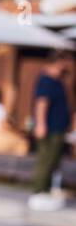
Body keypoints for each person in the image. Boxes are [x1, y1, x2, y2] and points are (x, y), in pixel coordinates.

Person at [29, 51, 72, 211]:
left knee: (53, 161)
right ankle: (38, 191)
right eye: (68, 61)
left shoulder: (59, 80)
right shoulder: (46, 80)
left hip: (58, 127)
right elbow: (41, 103)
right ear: (59, 61)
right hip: (50, 127)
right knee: (45, 160)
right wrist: (40, 124)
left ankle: (44, 191)